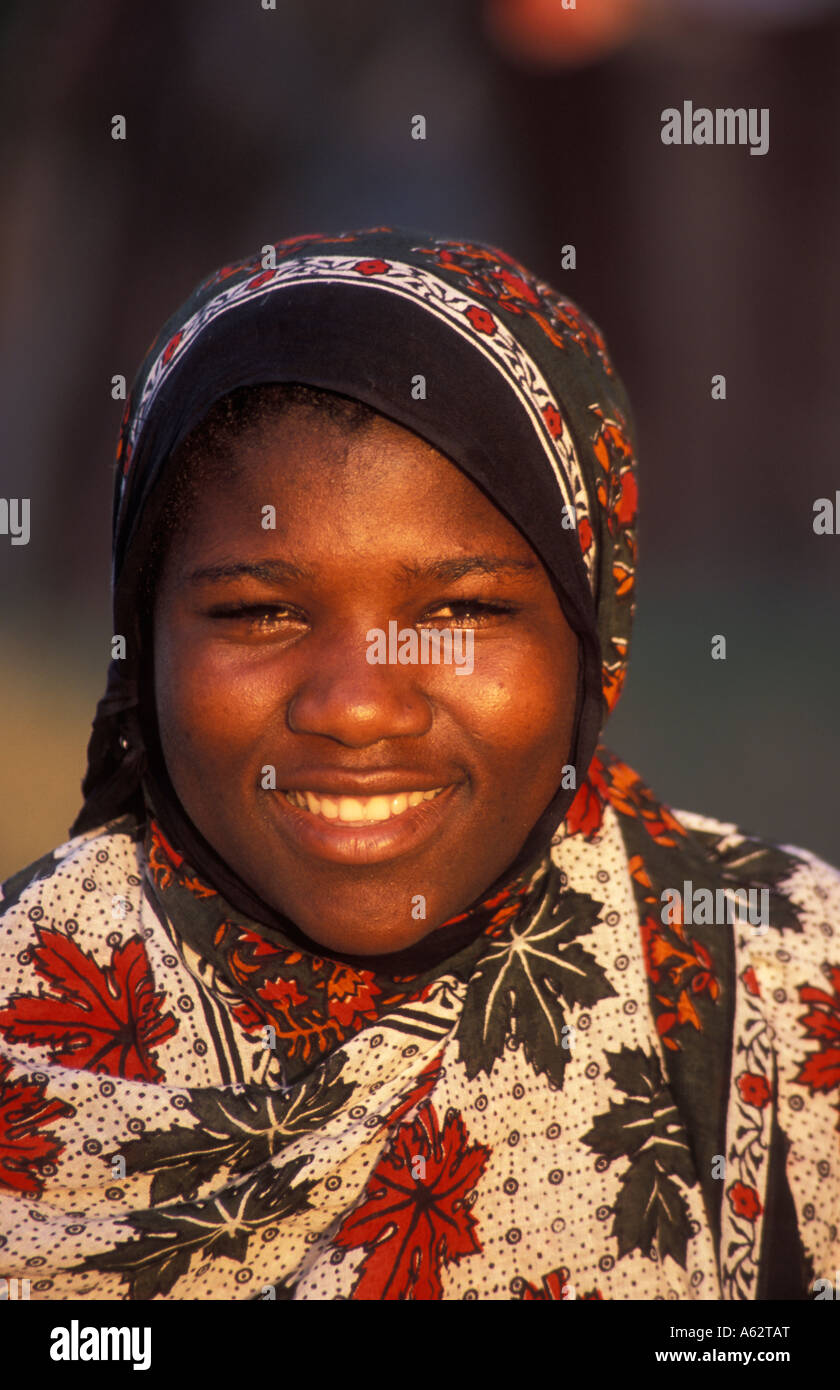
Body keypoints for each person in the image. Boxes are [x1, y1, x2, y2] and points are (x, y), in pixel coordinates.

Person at [0, 227, 837, 1302]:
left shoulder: (780, 984)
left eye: (460, 610)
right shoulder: (29, 1015)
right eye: (261, 612)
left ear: (593, 638)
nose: (355, 705)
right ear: (144, 639)